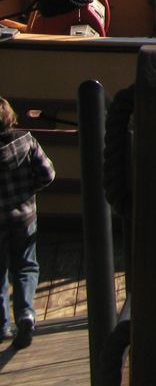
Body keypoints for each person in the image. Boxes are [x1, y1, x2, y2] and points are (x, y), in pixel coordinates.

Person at [0, 97, 54, 351]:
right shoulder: (26, 140)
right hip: (24, 217)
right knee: (26, 266)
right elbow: (48, 174)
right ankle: (26, 315)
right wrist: (29, 191)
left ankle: (2, 325)